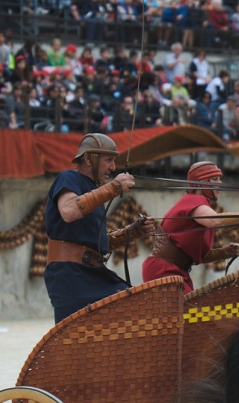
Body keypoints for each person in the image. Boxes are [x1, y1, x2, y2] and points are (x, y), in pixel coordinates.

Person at [44, 133, 155, 322]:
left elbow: (95, 244)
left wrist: (133, 232)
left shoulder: (94, 191)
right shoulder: (69, 177)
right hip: (70, 275)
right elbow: (69, 211)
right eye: (108, 160)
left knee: (136, 306)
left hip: (91, 273)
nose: (112, 167)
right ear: (88, 158)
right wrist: (114, 188)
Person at [142, 161, 239, 293]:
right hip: (164, 269)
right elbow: (214, 221)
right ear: (199, 183)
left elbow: (199, 256)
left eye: (219, 179)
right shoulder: (193, 200)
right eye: (214, 179)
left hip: (173, 269)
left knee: (191, 311)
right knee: (189, 311)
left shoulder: (199, 205)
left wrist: (224, 252)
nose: (220, 183)